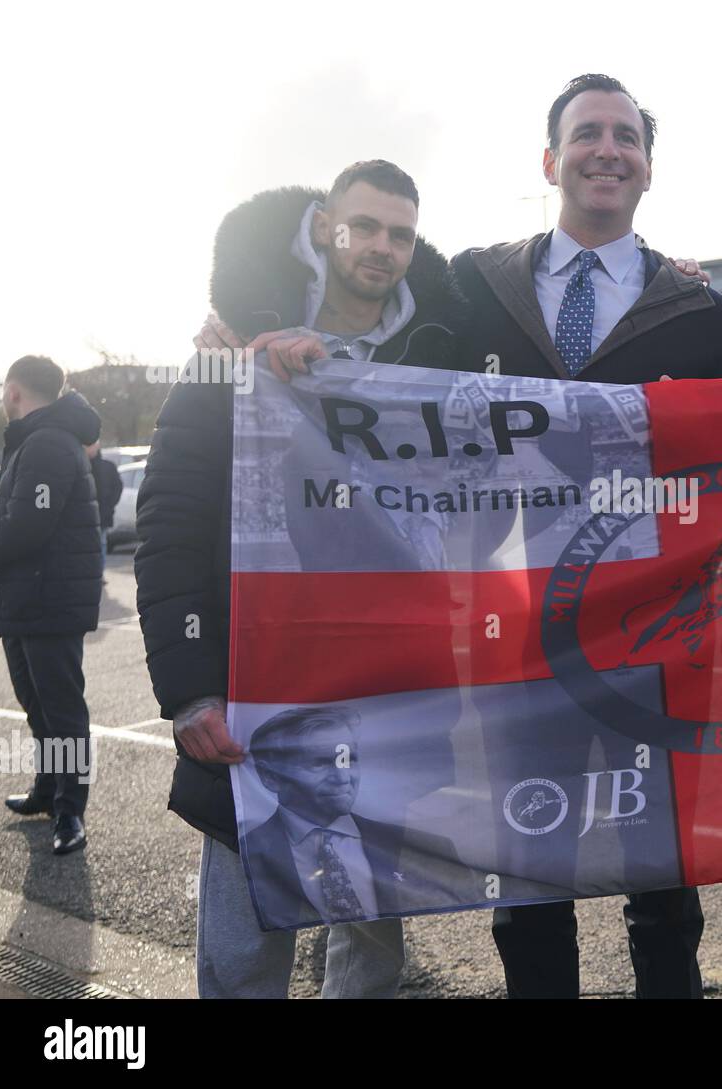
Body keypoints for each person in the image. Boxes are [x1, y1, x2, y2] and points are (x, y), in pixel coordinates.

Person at [137, 160, 470, 998]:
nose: (383, 248)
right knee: (245, 957)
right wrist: (189, 691)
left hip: (388, 703)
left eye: (401, 233)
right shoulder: (227, 365)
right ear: (325, 227)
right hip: (258, 705)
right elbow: (170, 527)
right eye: (365, 226)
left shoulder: (436, 363)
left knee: (371, 953)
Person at [446, 74, 722, 1000]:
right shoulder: (468, 287)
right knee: (530, 871)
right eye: (587, 134)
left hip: (657, 635)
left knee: (664, 878)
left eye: (626, 137)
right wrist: (259, 339)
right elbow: (369, 351)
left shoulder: (701, 315)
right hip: (517, 628)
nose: (606, 149)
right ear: (551, 160)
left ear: (648, 171)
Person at [0, 355, 102, 855]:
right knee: (36, 703)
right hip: (25, 599)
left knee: (61, 709)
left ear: (14, 391)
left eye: (3, 390)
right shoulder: (34, 440)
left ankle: (69, 810)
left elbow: (27, 529)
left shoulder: (47, 442)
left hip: (50, 600)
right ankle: (47, 790)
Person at [242, 706, 471, 930]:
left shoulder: (425, 849)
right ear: (270, 776)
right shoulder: (247, 855)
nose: (342, 778)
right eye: (320, 763)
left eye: (348, 759)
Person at [87, 441, 122, 562]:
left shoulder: (108, 467)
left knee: (101, 543)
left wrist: (110, 505)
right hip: (86, 514)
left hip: (103, 513)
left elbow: (117, 487)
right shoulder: (81, 466)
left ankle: (99, 572)